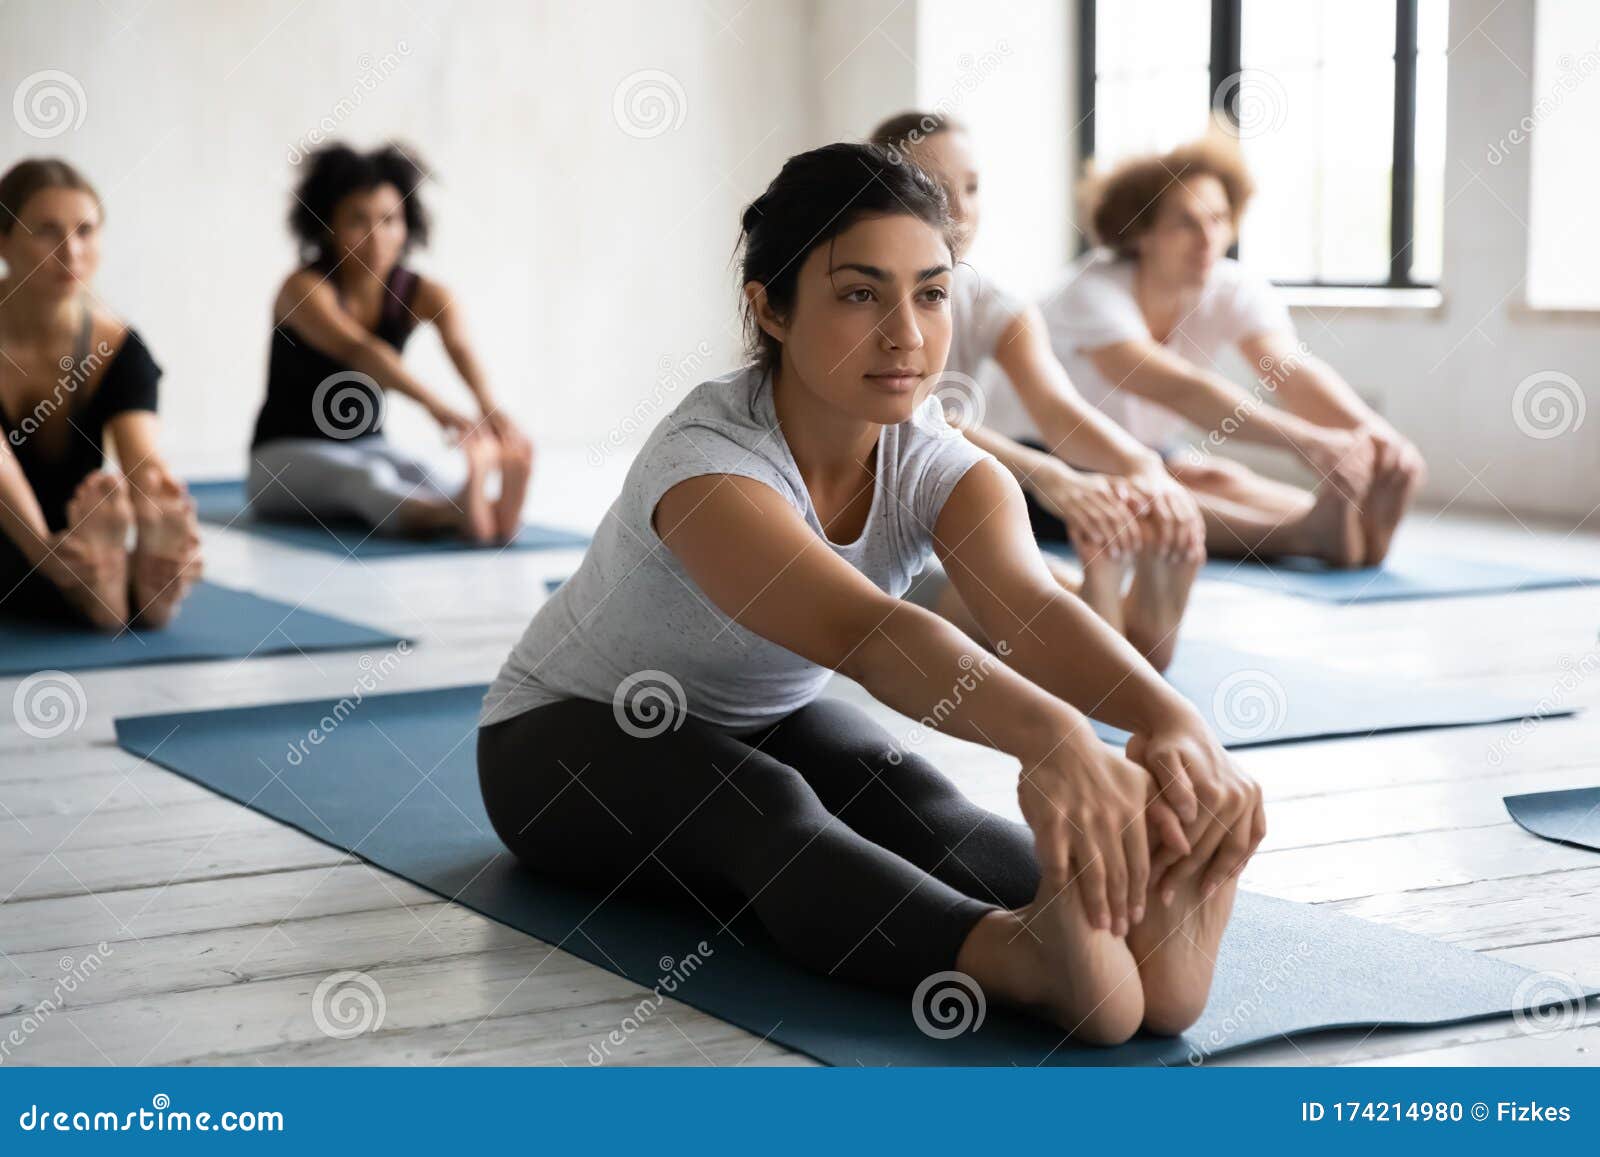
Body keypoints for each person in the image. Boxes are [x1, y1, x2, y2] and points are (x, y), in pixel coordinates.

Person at [477, 142, 1264, 1046]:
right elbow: (869, 633)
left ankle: (1131, 910)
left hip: (762, 711)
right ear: (770, 307)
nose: (908, 334)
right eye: (860, 294)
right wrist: (1054, 737)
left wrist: (1170, 721)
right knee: (765, 809)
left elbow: (1029, 607)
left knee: (922, 803)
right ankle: (1020, 958)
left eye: (931, 293)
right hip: (562, 739)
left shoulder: (937, 461)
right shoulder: (707, 466)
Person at [869, 112, 1205, 672]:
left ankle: (1127, 590)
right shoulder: (858, 293)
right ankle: (1102, 608)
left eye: (971, 188)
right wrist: (1050, 476)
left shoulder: (993, 302)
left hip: (942, 513)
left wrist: (1143, 469)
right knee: (1065, 643)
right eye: (935, 188)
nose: (960, 209)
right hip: (871, 522)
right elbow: (912, 416)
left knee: (1103, 635)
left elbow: (1058, 409)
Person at [1038, 135, 1426, 567]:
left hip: (1142, 451)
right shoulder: (1090, 293)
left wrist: (1377, 439)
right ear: (1141, 233)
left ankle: (1350, 527)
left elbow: (1288, 370)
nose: (1208, 238)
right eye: (1186, 223)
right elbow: (1180, 389)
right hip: (1044, 458)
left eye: (1218, 219)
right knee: (1149, 498)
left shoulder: (1230, 286)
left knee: (1224, 481)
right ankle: (1304, 535)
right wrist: (1309, 444)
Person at [246, 143, 533, 543]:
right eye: (357, 221)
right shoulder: (303, 290)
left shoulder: (422, 292)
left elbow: (460, 345)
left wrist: (488, 407)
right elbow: (361, 351)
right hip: (279, 461)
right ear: (328, 226)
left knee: (423, 472)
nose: (375, 237)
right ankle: (456, 516)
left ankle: (480, 509)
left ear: (407, 226)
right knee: (369, 479)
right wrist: (437, 407)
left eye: (389, 220)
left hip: (368, 443)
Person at [0, 158, 201, 630]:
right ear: (4, 241)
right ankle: (93, 583)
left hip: (79, 526)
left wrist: (162, 509)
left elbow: (142, 457)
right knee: (27, 561)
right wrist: (44, 551)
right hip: (20, 528)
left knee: (140, 503)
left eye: (85, 232)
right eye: (46, 232)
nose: (71, 253)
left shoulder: (119, 348)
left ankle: (122, 579)